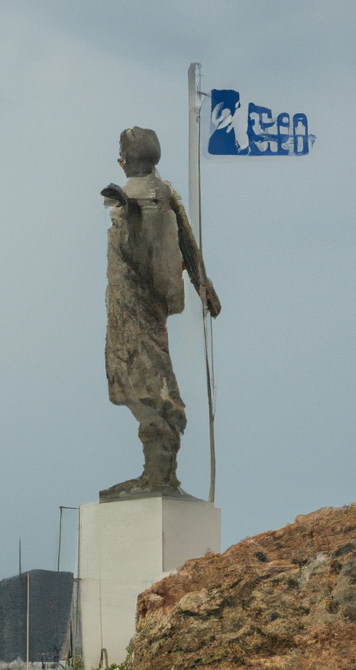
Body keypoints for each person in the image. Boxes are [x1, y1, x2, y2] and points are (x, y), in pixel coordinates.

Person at [100, 126, 220, 500]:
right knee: (149, 375)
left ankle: (158, 472)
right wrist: (204, 287)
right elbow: (186, 240)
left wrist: (127, 214)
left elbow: (150, 253)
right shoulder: (165, 194)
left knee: (141, 378)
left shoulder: (137, 198)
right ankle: (160, 472)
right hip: (140, 307)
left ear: (128, 160)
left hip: (133, 307)